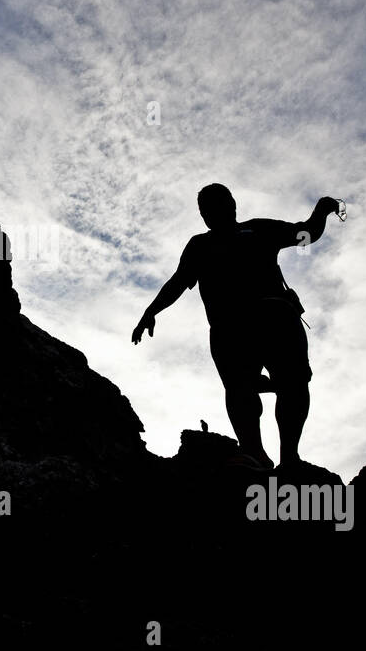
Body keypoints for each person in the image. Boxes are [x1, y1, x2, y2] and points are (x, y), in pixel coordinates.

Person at [132, 185, 341, 468]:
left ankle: (289, 456)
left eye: (217, 204)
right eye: (206, 208)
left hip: (274, 318)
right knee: (241, 389)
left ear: (232, 204)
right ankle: (254, 452)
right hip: (230, 329)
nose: (212, 212)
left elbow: (305, 234)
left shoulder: (259, 230)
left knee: (292, 384)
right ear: (203, 215)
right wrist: (151, 310)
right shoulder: (200, 246)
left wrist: (322, 211)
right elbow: (178, 282)